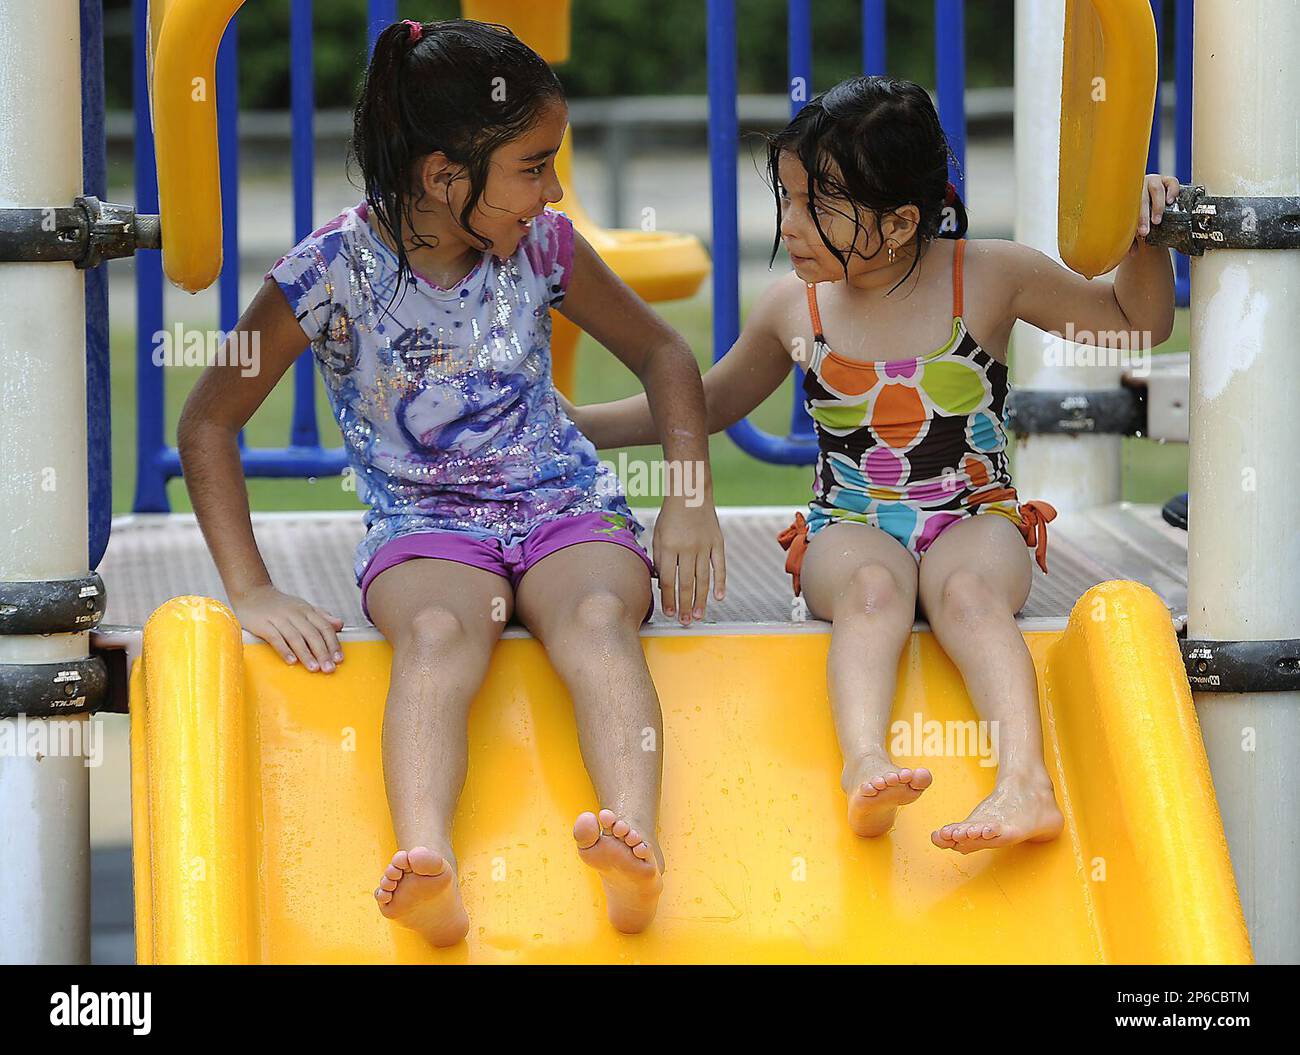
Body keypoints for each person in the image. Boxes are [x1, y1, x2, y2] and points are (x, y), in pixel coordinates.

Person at [176, 19, 725, 945]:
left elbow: (665, 355)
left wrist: (689, 500)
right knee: (434, 636)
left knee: (596, 621)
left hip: (564, 506)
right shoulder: (326, 273)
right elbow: (208, 419)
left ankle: (637, 843)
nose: (553, 190)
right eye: (534, 165)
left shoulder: (545, 248)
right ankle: (428, 863)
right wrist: (252, 588)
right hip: (425, 526)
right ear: (443, 177)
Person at [568, 76, 1178, 855]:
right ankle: (866, 765)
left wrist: (1142, 235)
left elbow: (1135, 323)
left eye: (815, 206)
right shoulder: (797, 309)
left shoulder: (987, 277)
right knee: (871, 590)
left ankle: (1025, 781)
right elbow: (712, 402)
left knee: (968, 593)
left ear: (898, 223)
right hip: (850, 525)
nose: (789, 225)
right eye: (785, 198)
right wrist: (581, 425)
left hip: (975, 513)